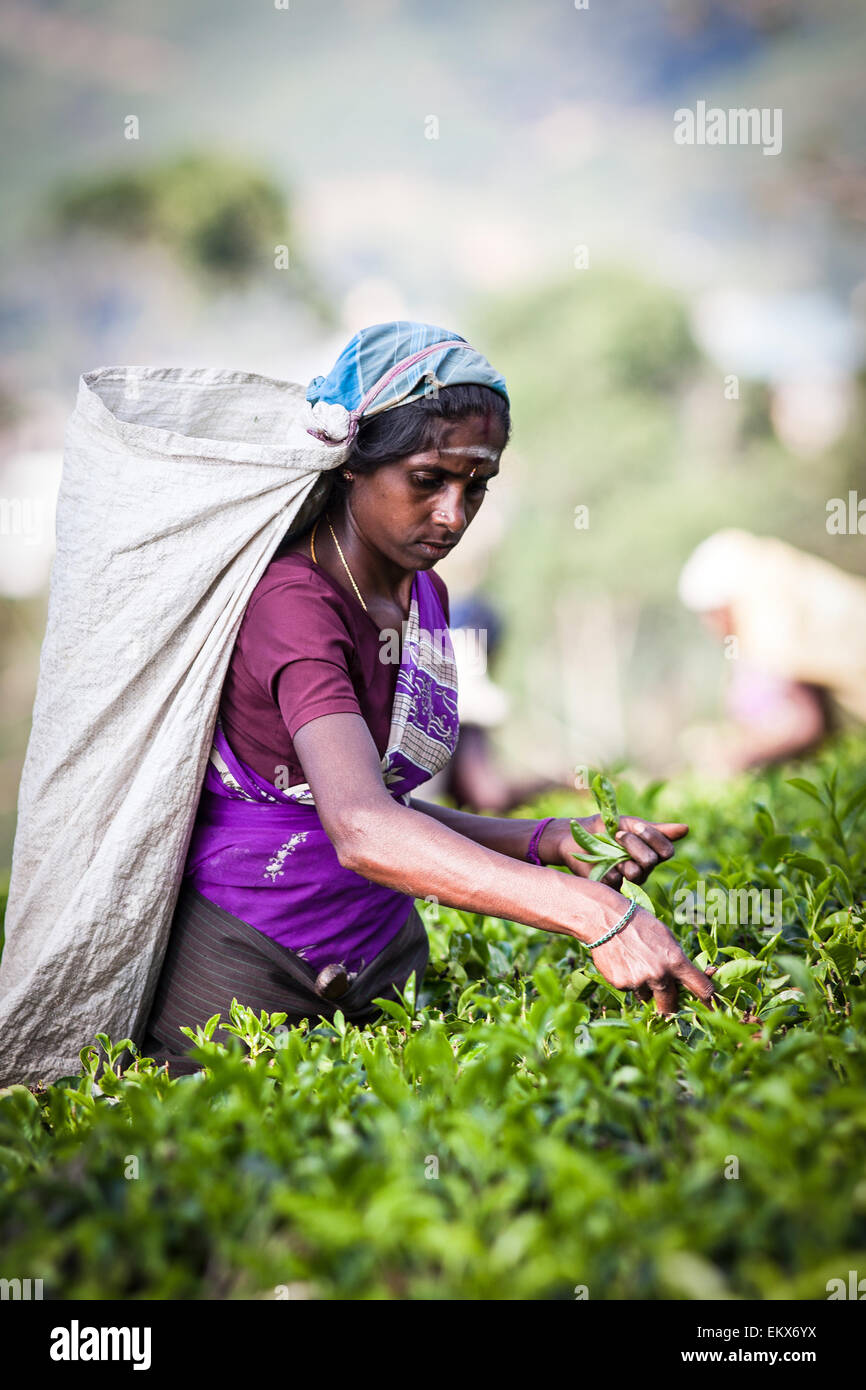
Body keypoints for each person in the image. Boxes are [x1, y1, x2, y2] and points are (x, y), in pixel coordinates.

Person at [142, 321, 714, 1074]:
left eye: (476, 486)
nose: (453, 515)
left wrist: (549, 840)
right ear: (351, 463)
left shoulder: (426, 595)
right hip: (251, 964)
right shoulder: (294, 602)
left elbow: (379, 805)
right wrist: (594, 913)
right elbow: (357, 828)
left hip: (384, 957)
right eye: (427, 479)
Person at [677, 528, 866, 774]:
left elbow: (800, 723)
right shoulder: (785, 585)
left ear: (724, 607)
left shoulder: (767, 617)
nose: (708, 626)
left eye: (709, 615)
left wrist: (734, 755)